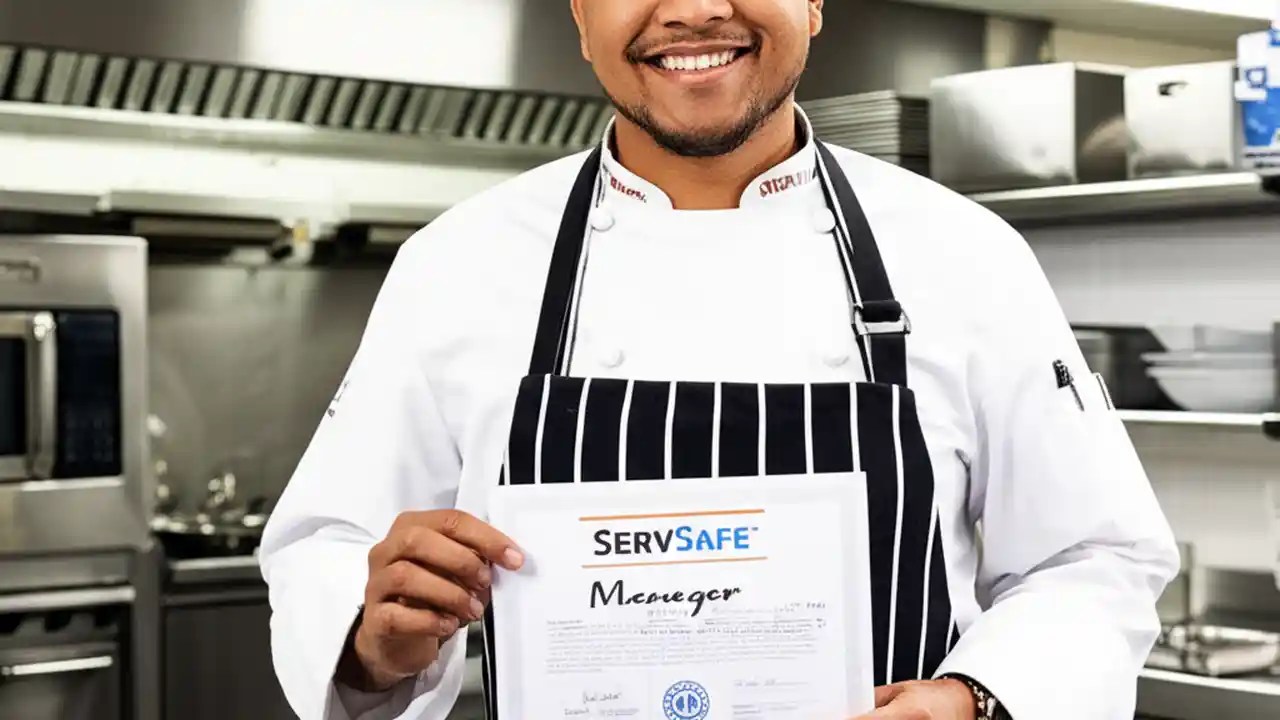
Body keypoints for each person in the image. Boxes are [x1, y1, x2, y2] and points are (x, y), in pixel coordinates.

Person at [259, 1, 1180, 719]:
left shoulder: (967, 255)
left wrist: (974, 698)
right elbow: (329, 547)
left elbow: (1091, 559)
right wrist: (369, 635)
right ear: (581, 19)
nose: (694, 12)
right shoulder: (457, 264)